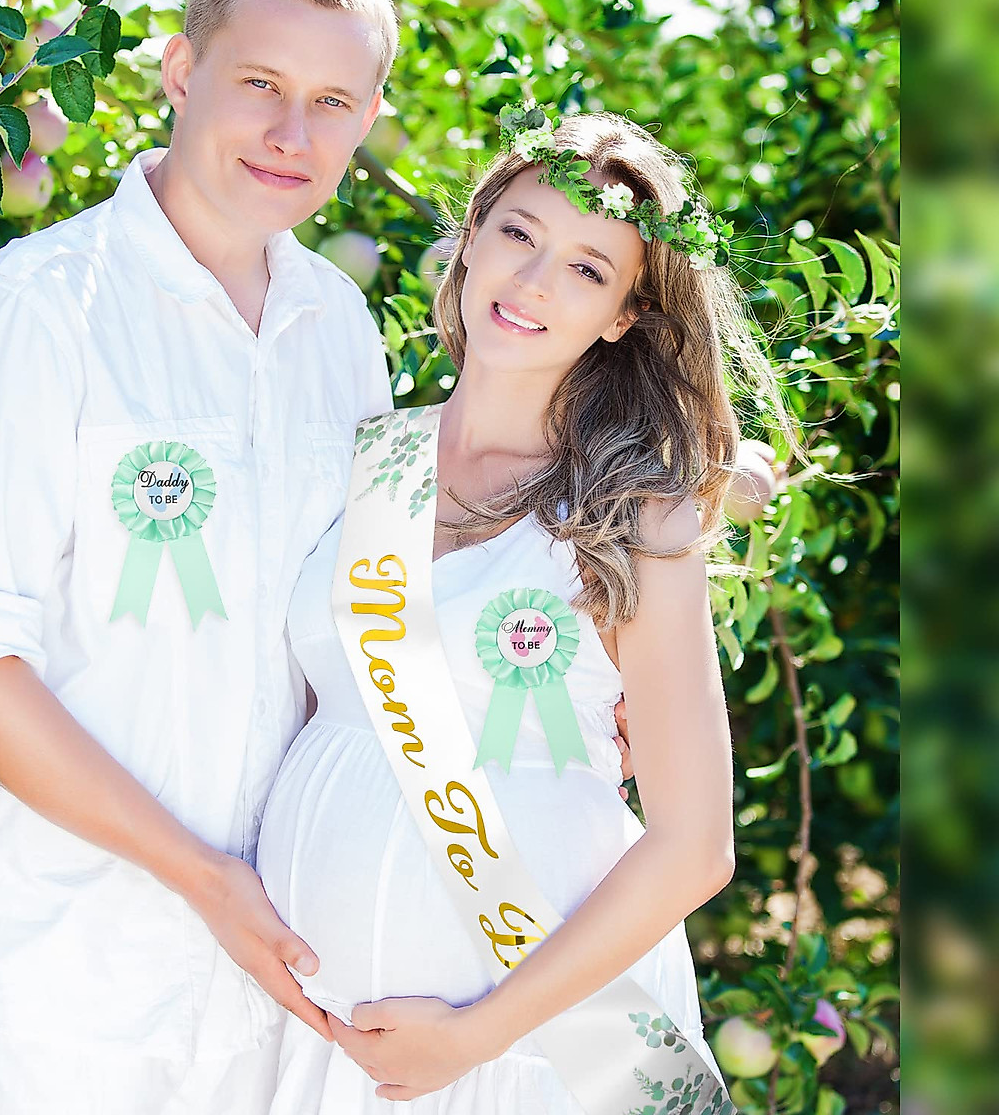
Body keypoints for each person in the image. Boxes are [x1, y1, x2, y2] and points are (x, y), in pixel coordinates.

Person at [0, 0, 400, 1112]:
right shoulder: (29, 317)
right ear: (180, 74)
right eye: (259, 85)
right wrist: (206, 882)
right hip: (62, 971)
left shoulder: (344, 334)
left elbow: (359, 630)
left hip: (285, 967)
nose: (293, 135)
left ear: (369, 119)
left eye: (332, 101)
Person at [256, 105, 792, 1112]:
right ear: (472, 236)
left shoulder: (634, 512)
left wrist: (472, 1038)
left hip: (533, 1048)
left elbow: (695, 846)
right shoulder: (364, 456)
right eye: (519, 234)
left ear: (625, 314)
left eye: (589, 269)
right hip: (325, 1044)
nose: (535, 282)